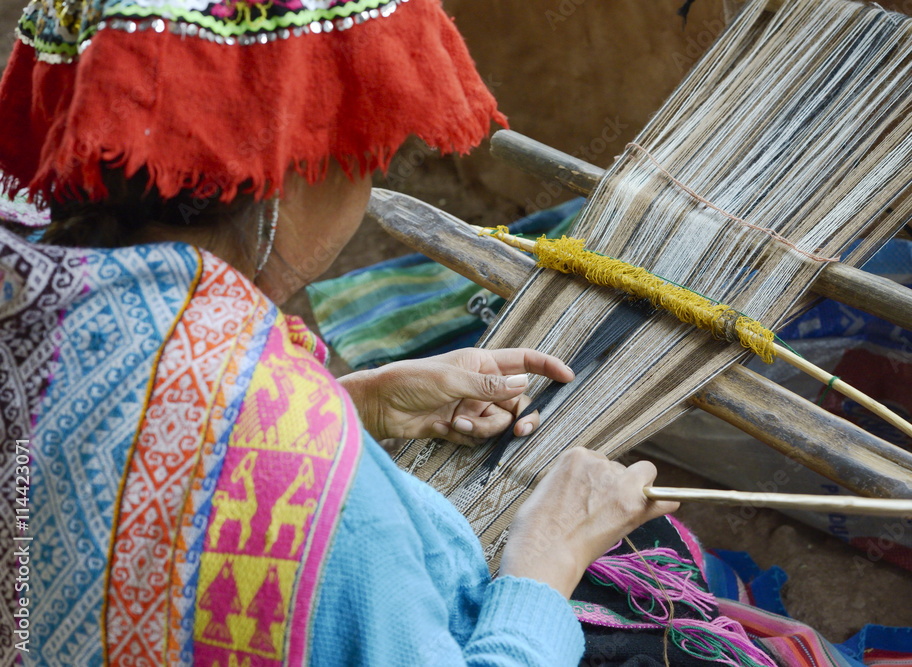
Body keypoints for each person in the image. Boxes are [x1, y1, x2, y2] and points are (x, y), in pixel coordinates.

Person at [0, 0, 677, 664]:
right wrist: (543, 565)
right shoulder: (329, 497)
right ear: (289, 165)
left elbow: (140, 457)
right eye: (366, 131)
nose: (374, 161)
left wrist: (356, 403)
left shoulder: (31, 284)